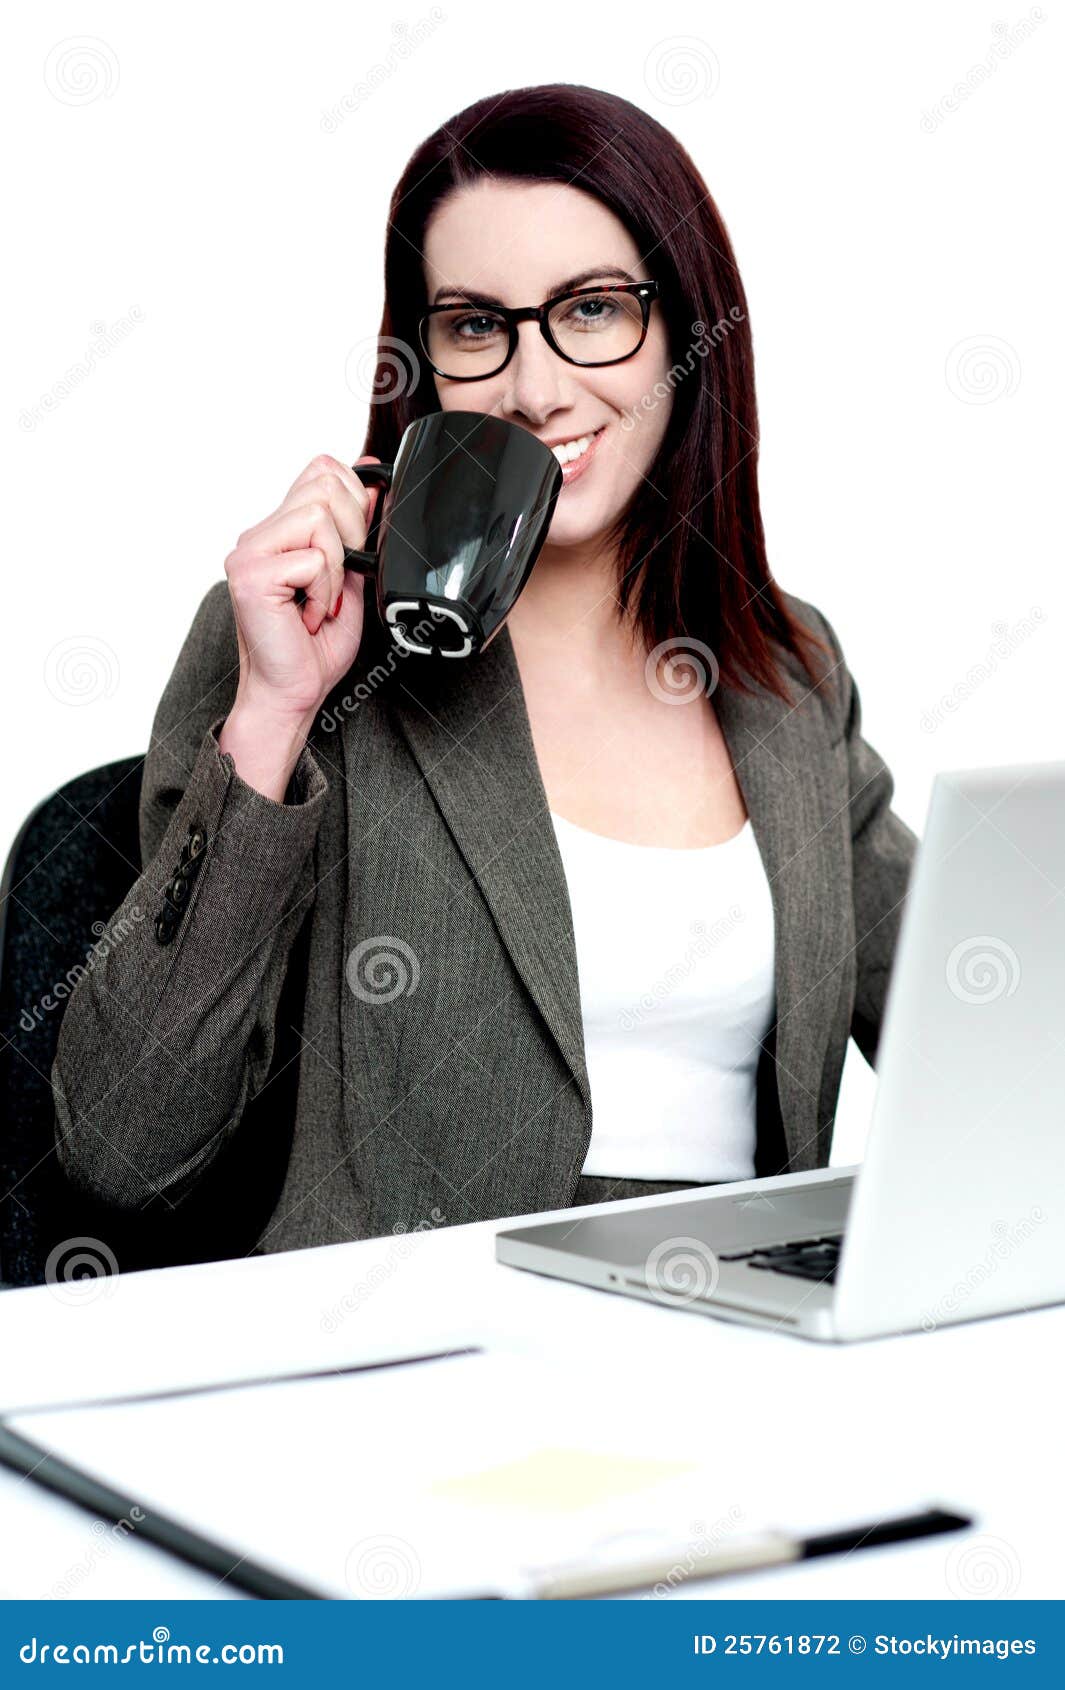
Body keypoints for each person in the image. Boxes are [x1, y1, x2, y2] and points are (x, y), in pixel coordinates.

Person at [50, 83, 918, 1261]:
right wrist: (275, 713)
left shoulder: (784, 672)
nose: (536, 385)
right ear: (427, 367)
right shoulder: (317, 649)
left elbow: (987, 1012)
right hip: (415, 1353)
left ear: (686, 334)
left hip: (738, 1330)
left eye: (594, 310)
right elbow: (124, 1143)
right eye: (475, 325)